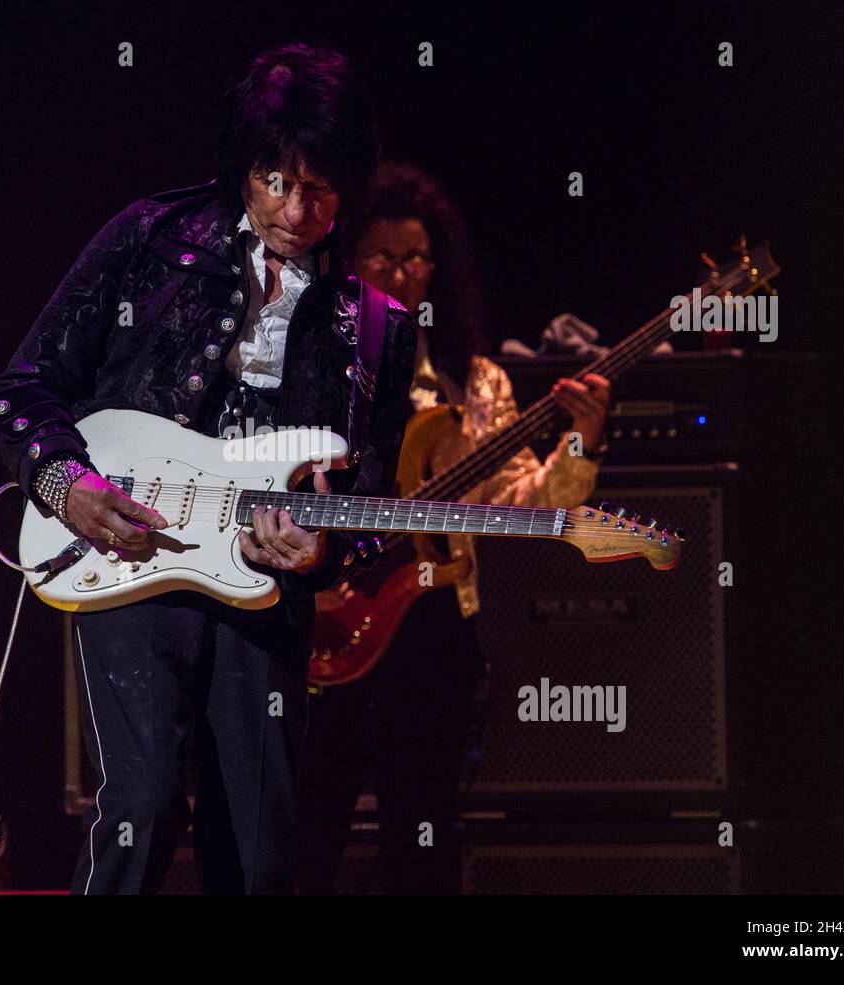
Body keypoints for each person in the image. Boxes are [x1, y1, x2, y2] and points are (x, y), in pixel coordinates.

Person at [0, 46, 417, 894]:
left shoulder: (377, 328)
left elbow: (371, 504)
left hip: (263, 595)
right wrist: (67, 484)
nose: (296, 207)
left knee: (259, 848)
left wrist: (326, 554)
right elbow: (20, 390)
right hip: (132, 562)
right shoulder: (149, 237)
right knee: (140, 805)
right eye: (274, 179)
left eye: (321, 185)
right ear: (242, 168)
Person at [296, 161, 610, 894]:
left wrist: (582, 442)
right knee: (308, 829)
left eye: (416, 259)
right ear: (348, 264)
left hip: (433, 622)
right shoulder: (312, 364)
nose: (401, 274)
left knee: (425, 830)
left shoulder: (476, 386)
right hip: (323, 612)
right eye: (381, 257)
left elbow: (523, 501)